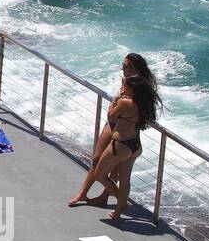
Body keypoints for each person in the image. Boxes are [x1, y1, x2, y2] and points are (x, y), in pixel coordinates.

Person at [69, 53, 162, 220]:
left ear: (135, 68)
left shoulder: (141, 85)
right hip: (116, 124)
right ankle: (84, 193)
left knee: (117, 167)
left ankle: (108, 197)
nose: (123, 69)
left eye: (126, 66)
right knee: (97, 158)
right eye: (123, 65)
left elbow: (144, 112)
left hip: (122, 127)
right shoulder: (127, 81)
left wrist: (122, 104)